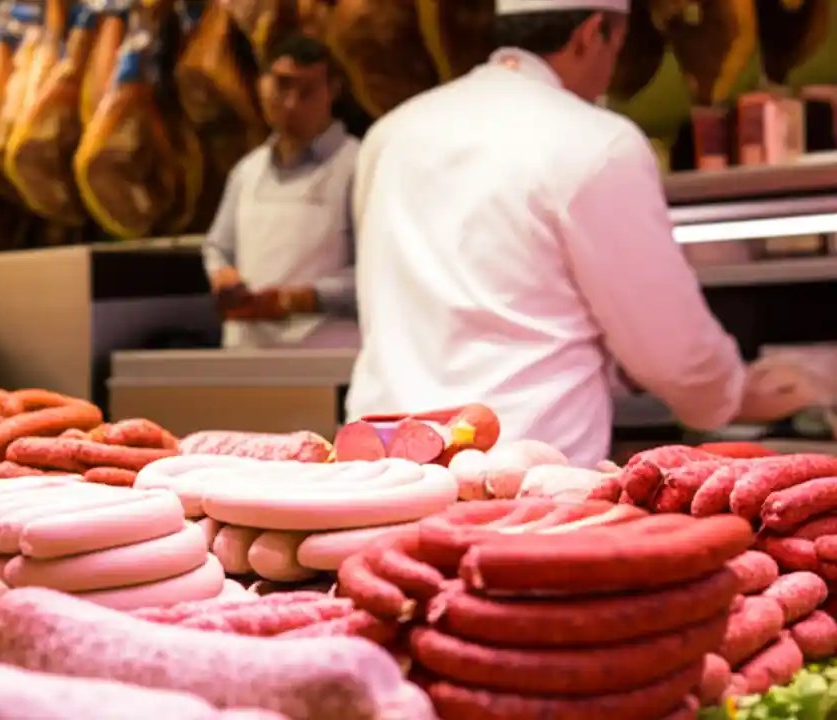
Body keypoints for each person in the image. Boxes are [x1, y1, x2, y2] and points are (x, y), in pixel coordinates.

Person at [345, 0, 816, 466]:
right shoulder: (597, 141)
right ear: (592, 34)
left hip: (380, 464)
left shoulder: (391, 133)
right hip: (516, 474)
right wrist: (729, 394)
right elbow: (666, 349)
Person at [202, 34, 359, 349]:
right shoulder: (247, 171)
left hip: (325, 350)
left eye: (308, 92)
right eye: (282, 86)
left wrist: (301, 299)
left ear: (333, 91)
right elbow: (218, 247)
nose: (291, 104)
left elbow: (378, 270)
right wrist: (224, 276)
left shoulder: (357, 164)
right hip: (245, 351)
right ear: (261, 85)